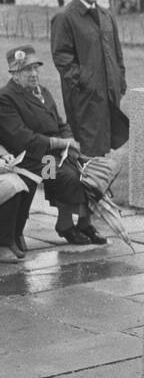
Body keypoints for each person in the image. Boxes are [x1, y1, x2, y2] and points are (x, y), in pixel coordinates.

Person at [0, 45, 105, 246]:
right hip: (31, 157)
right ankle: (65, 224)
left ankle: (84, 222)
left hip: (56, 152)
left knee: (92, 170)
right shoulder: (6, 97)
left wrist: (71, 145)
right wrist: (61, 143)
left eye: (35, 68)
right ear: (14, 74)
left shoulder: (43, 92)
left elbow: (60, 123)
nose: (33, 74)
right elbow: (21, 138)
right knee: (65, 175)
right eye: (26, 70)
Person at [50, 0, 129, 158]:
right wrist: (85, 82)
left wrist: (120, 80)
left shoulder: (106, 15)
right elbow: (62, 57)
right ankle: (88, 187)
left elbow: (117, 52)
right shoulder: (65, 17)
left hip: (109, 93)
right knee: (87, 147)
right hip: (84, 96)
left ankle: (100, 186)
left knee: (105, 145)